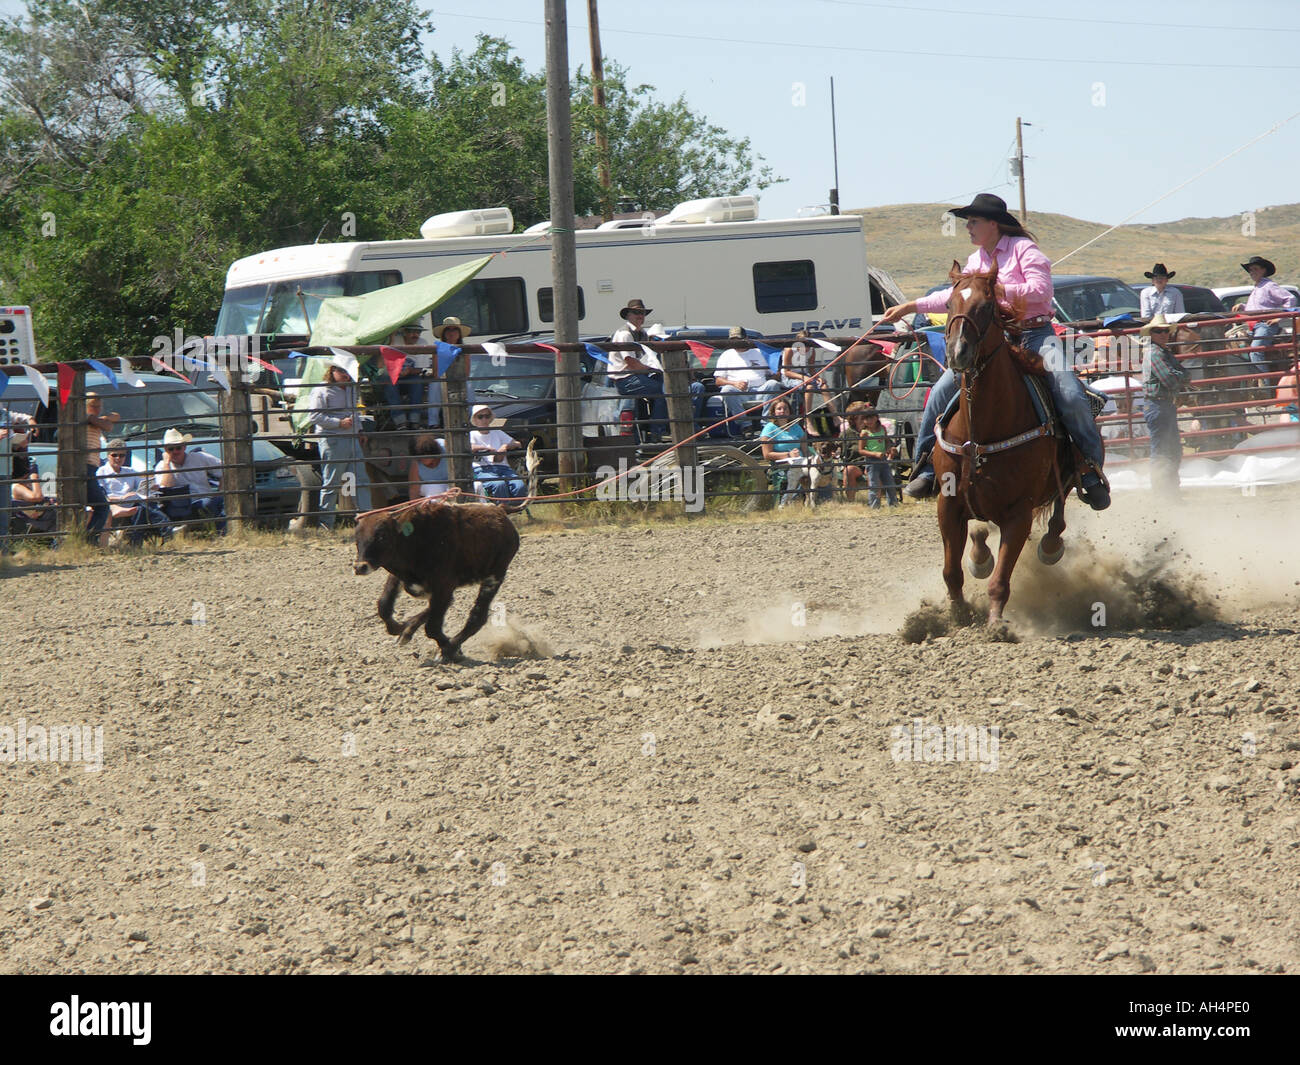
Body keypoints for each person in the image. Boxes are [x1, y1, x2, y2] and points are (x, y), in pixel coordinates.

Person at [878, 192, 1111, 510]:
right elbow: (956, 296)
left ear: (993, 224)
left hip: (1036, 335)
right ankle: (928, 468)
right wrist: (910, 306)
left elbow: (1041, 291)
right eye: (968, 222)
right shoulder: (975, 261)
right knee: (941, 393)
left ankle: (1090, 470)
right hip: (995, 340)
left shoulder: (1024, 251)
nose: (968, 228)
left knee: (1069, 393)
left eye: (973, 221)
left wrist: (993, 288)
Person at [307, 353, 372, 529]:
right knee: (332, 482)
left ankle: (365, 520)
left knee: (360, 479)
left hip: (350, 438)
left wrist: (359, 430)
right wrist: (339, 423)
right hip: (333, 438)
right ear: (333, 370)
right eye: (343, 371)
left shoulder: (351, 388)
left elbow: (354, 411)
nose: (346, 375)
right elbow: (314, 416)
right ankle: (326, 523)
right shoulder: (321, 389)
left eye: (348, 372)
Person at [1138, 316, 1188, 496]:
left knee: (1170, 449)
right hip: (1158, 404)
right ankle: (1163, 492)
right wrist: (1180, 376)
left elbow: (1182, 374)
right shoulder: (1155, 353)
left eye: (1165, 330)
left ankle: (1169, 491)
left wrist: (1179, 376)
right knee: (1163, 451)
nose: (1163, 334)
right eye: (1158, 330)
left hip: (1162, 404)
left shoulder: (1162, 352)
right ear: (1151, 334)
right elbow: (1170, 379)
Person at [1233, 256, 1298, 379]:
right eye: (1251, 270)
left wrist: (1279, 317)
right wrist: (1242, 306)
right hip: (1253, 325)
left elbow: (1290, 299)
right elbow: (1257, 306)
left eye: (1255, 269)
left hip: (1265, 325)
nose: (1252, 272)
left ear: (1263, 270)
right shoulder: (1258, 287)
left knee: (1256, 351)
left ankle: (1264, 384)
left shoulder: (1269, 286)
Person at [154, 427, 227, 533]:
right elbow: (165, 487)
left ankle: (224, 533)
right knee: (209, 504)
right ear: (165, 450)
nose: (175, 451)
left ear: (184, 447)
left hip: (207, 499)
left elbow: (226, 470)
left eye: (178, 447)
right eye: (171, 449)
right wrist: (166, 463)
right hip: (182, 507)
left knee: (221, 500)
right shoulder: (162, 466)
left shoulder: (199, 457)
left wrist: (220, 492)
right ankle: (220, 532)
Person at [97, 439, 170, 544]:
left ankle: (138, 540)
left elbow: (142, 484)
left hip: (132, 502)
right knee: (143, 507)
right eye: (114, 455)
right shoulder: (102, 472)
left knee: (145, 505)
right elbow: (102, 495)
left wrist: (152, 486)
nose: (118, 458)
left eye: (122, 455)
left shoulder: (129, 471)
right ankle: (167, 528)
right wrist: (121, 498)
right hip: (115, 504)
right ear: (108, 456)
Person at [714, 326, 783, 435]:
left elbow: (775, 374)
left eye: (738, 339)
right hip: (739, 392)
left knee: (773, 384)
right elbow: (718, 381)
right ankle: (746, 426)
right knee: (727, 389)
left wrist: (776, 374)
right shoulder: (726, 355)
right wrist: (734, 383)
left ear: (746, 338)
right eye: (733, 340)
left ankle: (766, 424)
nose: (736, 342)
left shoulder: (759, 351)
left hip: (761, 390)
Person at [841, 402, 900, 507]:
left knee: (878, 475)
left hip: (878, 461)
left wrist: (890, 449)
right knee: (849, 470)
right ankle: (851, 502)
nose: (867, 419)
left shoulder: (880, 429)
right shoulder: (848, 433)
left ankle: (888, 503)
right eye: (862, 414)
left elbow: (887, 442)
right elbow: (840, 449)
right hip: (857, 464)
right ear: (854, 418)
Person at [468, 404, 526, 509]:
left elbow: (517, 443)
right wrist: (485, 448)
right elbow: (468, 447)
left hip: (503, 468)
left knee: (520, 486)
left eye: (487, 416)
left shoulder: (497, 432)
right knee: (499, 485)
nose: (484, 419)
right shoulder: (472, 434)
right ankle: (503, 512)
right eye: (480, 417)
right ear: (475, 420)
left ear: (490, 418)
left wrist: (505, 446)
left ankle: (516, 510)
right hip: (482, 469)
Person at [759, 398, 810, 506]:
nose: (782, 411)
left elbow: (806, 449)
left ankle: (819, 498)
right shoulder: (769, 429)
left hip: (801, 461)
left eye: (785, 408)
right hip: (782, 464)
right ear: (773, 412)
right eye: (779, 409)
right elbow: (767, 455)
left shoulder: (796, 427)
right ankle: (788, 501)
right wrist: (788, 455)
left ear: (789, 411)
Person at [82, 392, 116, 541]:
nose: (96, 409)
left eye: (98, 406)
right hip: (86, 466)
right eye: (93, 406)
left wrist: (96, 418)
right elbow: (108, 426)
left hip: (90, 467)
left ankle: (85, 540)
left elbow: (113, 418)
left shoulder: (92, 419)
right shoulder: (84, 418)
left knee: (82, 505)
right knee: (102, 506)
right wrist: (93, 418)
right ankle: (89, 540)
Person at [382, 322, 427, 429]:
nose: (415, 335)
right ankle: (400, 421)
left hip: (410, 376)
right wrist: (397, 372)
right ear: (404, 333)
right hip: (392, 376)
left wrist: (408, 371)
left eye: (418, 332)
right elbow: (385, 363)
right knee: (389, 382)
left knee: (417, 381)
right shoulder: (395, 341)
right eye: (412, 332)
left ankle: (414, 420)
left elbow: (419, 369)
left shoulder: (423, 343)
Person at [407, 434, 458, 501]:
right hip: (431, 490)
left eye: (424, 456)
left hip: (452, 487)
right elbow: (414, 490)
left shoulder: (446, 447)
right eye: (420, 458)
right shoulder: (416, 463)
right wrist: (415, 509)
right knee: (434, 488)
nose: (422, 460)